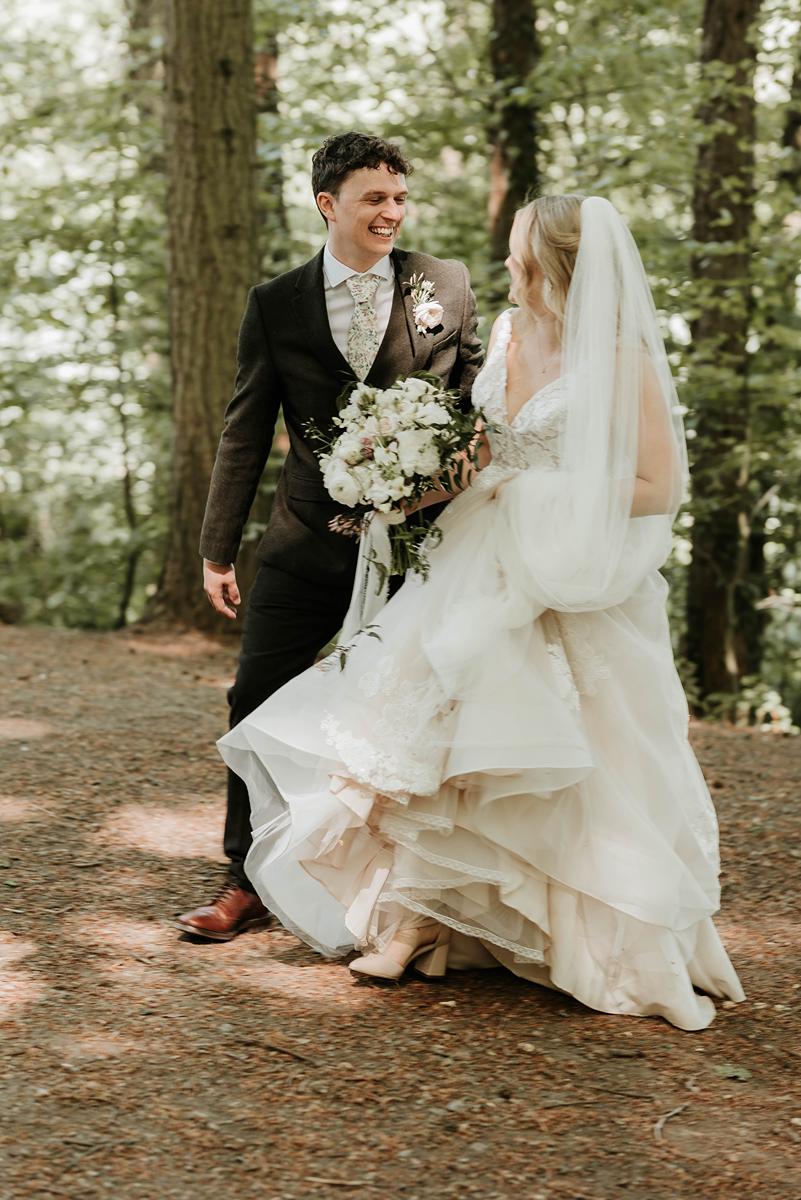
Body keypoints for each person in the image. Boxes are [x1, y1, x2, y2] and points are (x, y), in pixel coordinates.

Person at [217, 193, 746, 1030]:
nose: (503, 262)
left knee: (573, 744)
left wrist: (546, 494)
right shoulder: (504, 332)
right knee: (433, 723)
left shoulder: (621, 357)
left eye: (516, 250)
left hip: (569, 566)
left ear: (553, 262)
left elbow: (657, 487)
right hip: (477, 547)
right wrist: (403, 482)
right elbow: (487, 443)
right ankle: (417, 920)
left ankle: (584, 931)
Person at [177, 132, 483, 940]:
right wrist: (215, 548)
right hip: (305, 537)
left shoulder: (443, 285)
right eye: (372, 199)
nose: (391, 212)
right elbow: (244, 429)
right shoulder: (274, 303)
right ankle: (243, 879)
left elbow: (475, 407)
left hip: (420, 551)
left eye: (398, 199)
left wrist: (442, 488)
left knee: (407, 712)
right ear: (328, 205)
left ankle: (397, 892)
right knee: (253, 696)